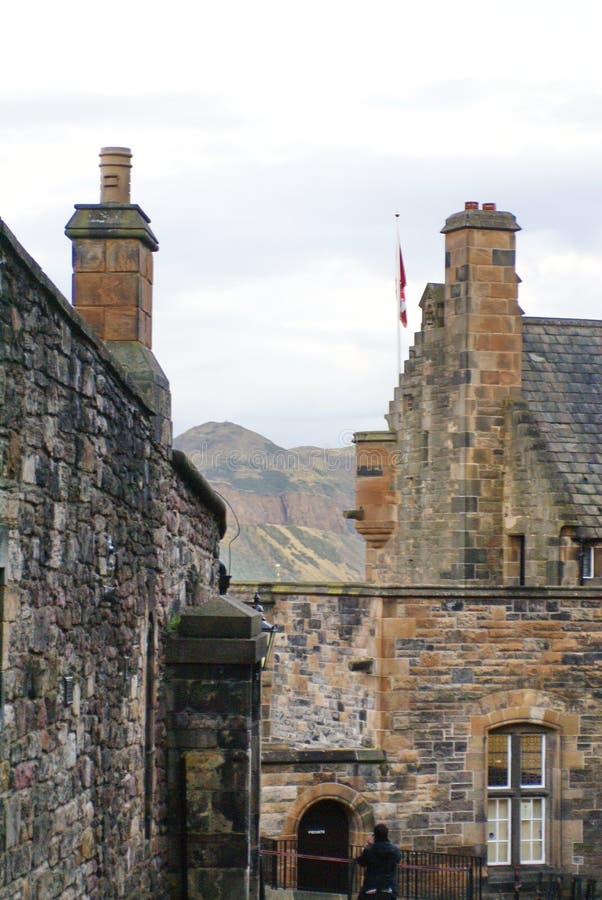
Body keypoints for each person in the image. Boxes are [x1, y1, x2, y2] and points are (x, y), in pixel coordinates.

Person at [356, 823, 401, 898]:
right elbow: (397, 859)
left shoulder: (369, 850)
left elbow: (362, 862)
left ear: (375, 835)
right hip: (388, 886)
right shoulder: (394, 850)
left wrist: (369, 845)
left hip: (371, 886)